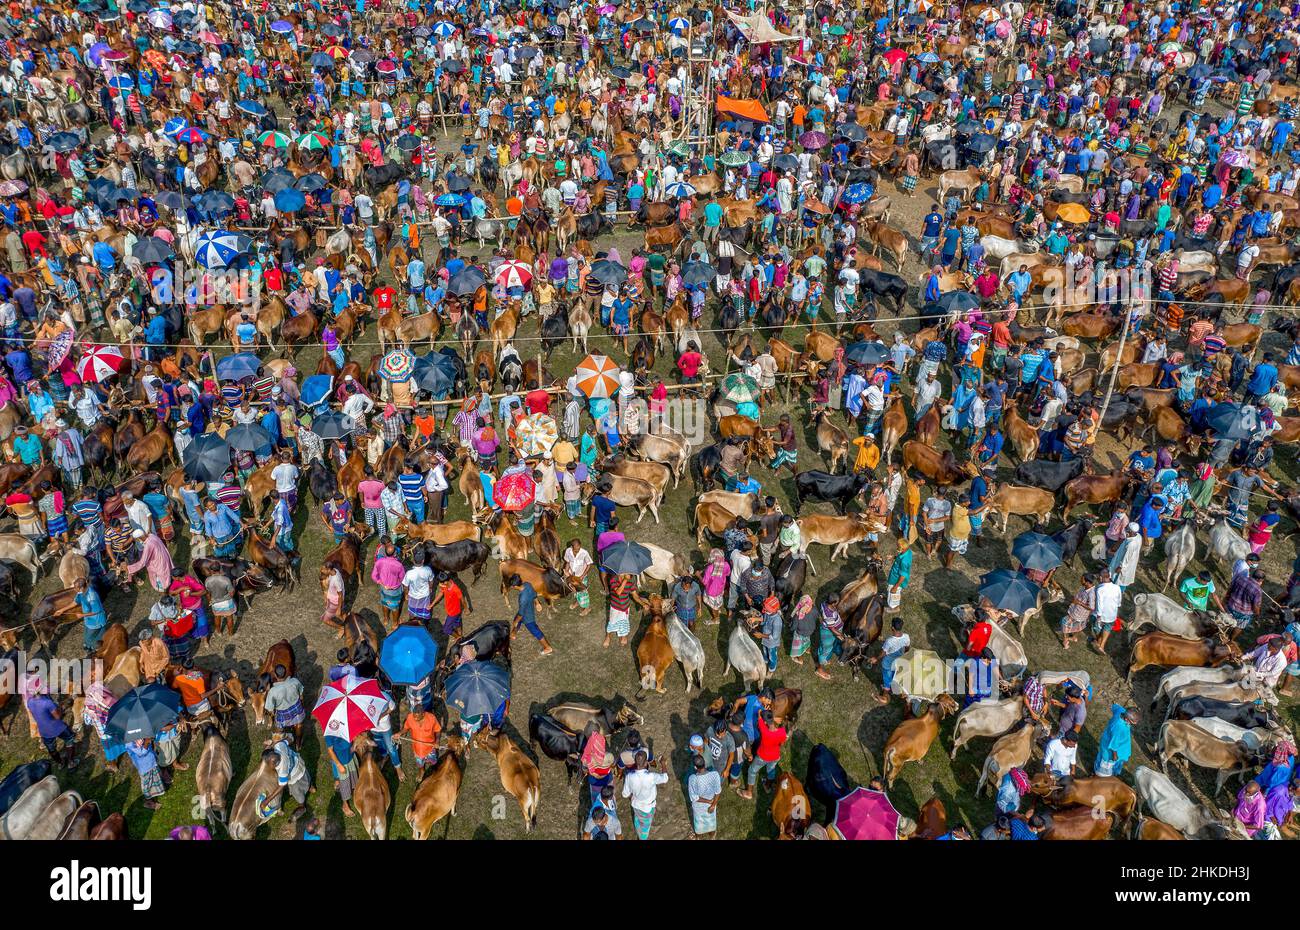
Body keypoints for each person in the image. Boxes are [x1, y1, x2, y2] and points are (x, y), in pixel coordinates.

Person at [739, 708, 787, 799]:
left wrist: (761, 711)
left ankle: (749, 792)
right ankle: (768, 786)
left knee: (752, 771)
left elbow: (759, 715)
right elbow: (782, 743)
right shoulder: (782, 731)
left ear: (765, 722)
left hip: (762, 756)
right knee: (771, 770)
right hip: (775, 756)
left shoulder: (764, 729)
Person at [621, 750, 669, 840]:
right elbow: (665, 778)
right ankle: (642, 837)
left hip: (636, 805)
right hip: (648, 808)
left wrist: (633, 797)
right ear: (646, 762)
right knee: (645, 828)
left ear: (635, 762)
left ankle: (639, 831)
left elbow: (625, 794)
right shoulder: (651, 776)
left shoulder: (629, 776)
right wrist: (663, 764)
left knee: (638, 820)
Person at [507, 573, 554, 655]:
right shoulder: (527, 584)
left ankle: (547, 647)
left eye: (512, 586)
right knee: (517, 618)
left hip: (528, 615)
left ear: (515, 586)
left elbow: (521, 614)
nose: (511, 587)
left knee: (533, 629)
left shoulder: (523, 598)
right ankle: (514, 632)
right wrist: (537, 603)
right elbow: (534, 594)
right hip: (527, 608)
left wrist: (516, 622)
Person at [1095, 705, 1138, 776]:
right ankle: (1099, 777)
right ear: (1127, 719)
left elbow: (1115, 706)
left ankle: (1110, 773)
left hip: (1112, 743)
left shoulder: (1121, 711)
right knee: (1104, 771)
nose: (1132, 724)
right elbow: (1114, 744)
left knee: (1103, 759)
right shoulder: (1119, 727)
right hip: (1111, 753)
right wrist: (1115, 756)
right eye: (1132, 723)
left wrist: (1112, 707)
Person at [687, 755, 722, 839]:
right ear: (704, 763)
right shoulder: (715, 775)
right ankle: (712, 835)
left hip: (699, 808)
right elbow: (718, 791)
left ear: (695, 767)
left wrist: (708, 801)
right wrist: (713, 804)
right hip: (711, 806)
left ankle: (698, 837)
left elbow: (694, 797)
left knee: (698, 824)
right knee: (711, 822)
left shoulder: (692, 779)